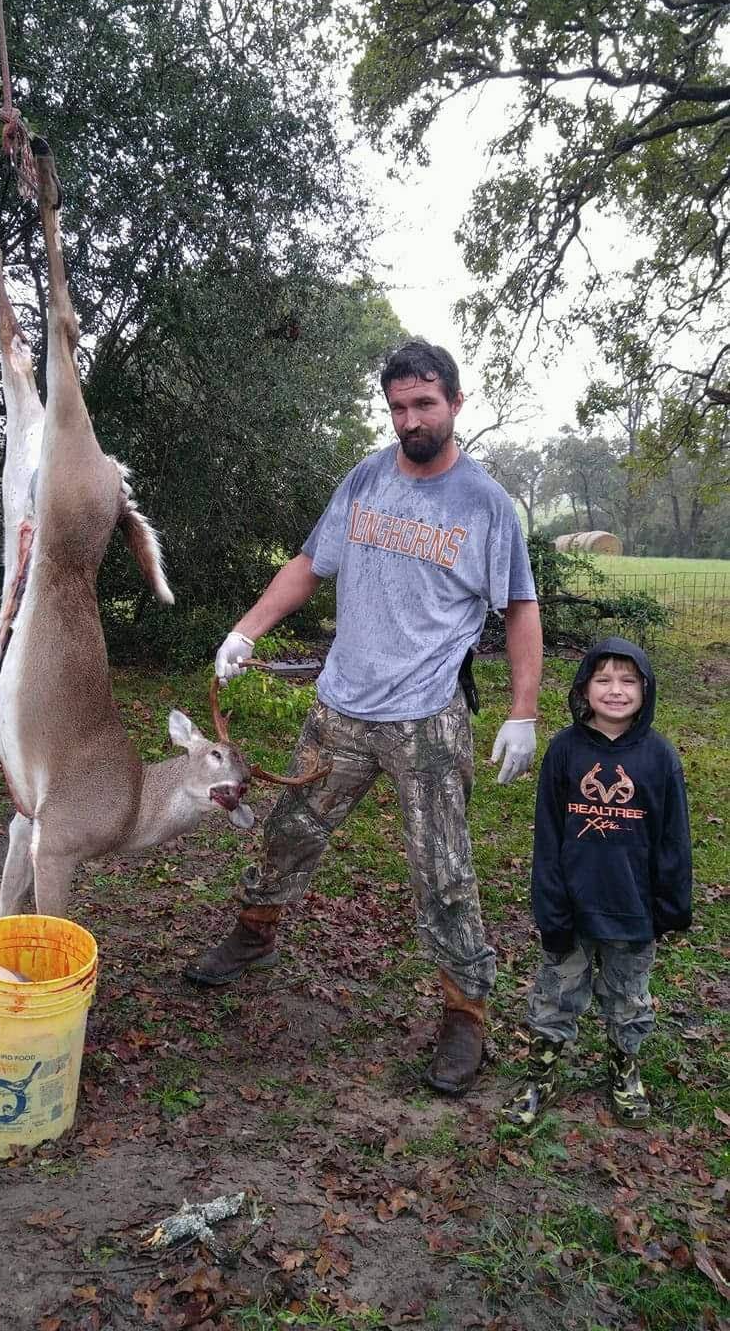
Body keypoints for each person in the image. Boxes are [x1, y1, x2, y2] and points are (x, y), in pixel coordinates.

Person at [185, 340, 543, 1096]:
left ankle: (465, 1015)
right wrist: (246, 630)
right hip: (342, 708)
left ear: (455, 403)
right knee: (288, 831)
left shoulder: (485, 505)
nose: (410, 420)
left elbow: (519, 608)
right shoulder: (367, 479)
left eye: (424, 404)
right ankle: (254, 935)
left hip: (427, 722)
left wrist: (522, 711)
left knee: (443, 873)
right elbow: (311, 565)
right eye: (398, 407)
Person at [500, 637, 692, 1128]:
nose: (615, 690)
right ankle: (541, 1072)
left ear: (645, 689)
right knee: (556, 993)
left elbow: (674, 838)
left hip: (634, 908)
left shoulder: (659, 757)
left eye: (628, 680)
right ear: (584, 688)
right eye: (603, 679)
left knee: (629, 998)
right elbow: (547, 836)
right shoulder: (565, 752)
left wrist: (671, 905)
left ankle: (624, 1066)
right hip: (573, 904)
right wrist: (550, 908)